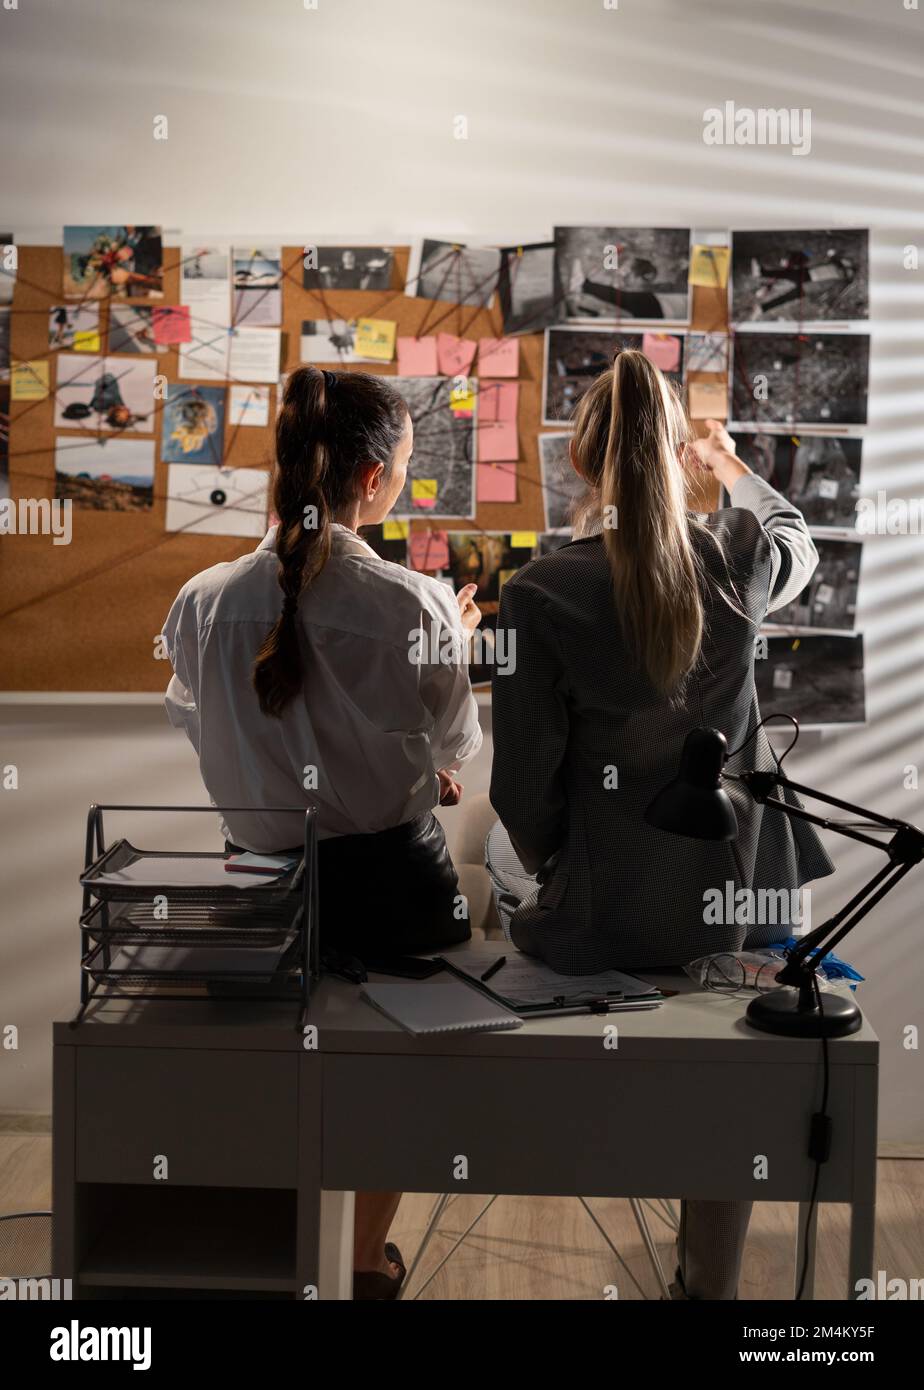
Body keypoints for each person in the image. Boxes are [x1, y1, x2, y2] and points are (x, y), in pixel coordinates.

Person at [486, 349, 835, 1299]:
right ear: (676, 453)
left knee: (494, 877)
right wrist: (726, 464)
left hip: (610, 911)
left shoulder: (540, 593)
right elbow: (794, 527)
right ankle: (708, 1286)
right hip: (743, 907)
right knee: (734, 1099)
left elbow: (522, 796)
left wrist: (557, 864)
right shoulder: (742, 556)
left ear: (583, 463)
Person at [162, 366, 483, 1299]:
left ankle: (281, 1255)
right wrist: (449, 646)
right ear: (374, 479)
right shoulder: (412, 604)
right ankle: (356, 1261)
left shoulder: (201, 599)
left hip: (259, 893)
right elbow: (455, 747)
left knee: (276, 1085)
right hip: (393, 898)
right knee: (405, 1087)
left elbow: (204, 727)